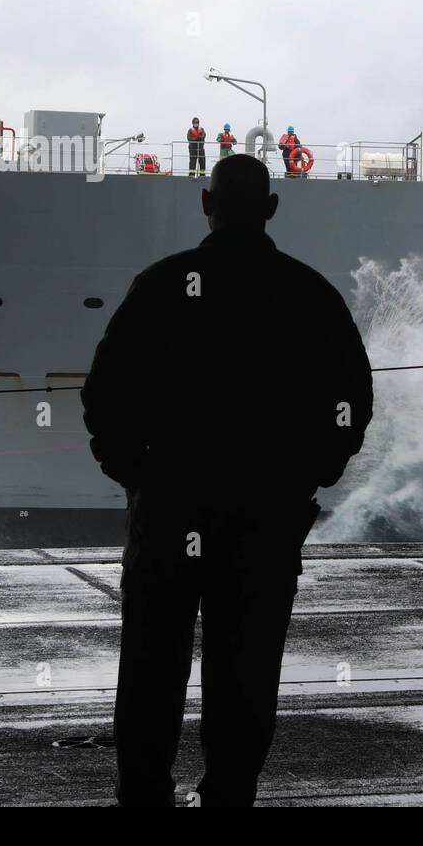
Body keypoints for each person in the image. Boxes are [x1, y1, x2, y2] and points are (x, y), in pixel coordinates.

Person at [81, 154, 373, 808]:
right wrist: (311, 474)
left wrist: (135, 474)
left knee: (153, 667)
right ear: (270, 209)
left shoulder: (161, 285)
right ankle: (229, 795)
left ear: (206, 203)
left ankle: (144, 794)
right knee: (245, 668)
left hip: (169, 508)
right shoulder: (307, 293)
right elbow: (351, 397)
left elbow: (104, 392)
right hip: (264, 515)